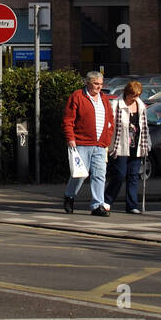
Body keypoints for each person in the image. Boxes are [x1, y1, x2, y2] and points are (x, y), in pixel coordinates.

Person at [62, 70, 115, 216]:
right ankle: (69, 196)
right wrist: (70, 138)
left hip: (99, 144)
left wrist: (106, 138)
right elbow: (68, 119)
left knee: (100, 175)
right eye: (96, 84)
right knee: (79, 175)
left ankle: (97, 205)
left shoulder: (104, 99)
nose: (99, 87)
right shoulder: (77, 96)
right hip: (81, 143)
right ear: (88, 83)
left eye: (101, 84)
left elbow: (110, 120)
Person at [107, 80, 151, 213]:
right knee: (120, 174)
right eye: (132, 95)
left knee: (133, 175)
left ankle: (132, 205)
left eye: (137, 95)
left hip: (136, 145)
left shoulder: (141, 106)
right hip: (120, 145)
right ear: (126, 93)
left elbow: (144, 126)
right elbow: (109, 124)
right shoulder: (116, 104)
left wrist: (147, 143)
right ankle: (107, 200)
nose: (134, 98)